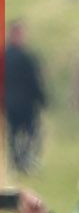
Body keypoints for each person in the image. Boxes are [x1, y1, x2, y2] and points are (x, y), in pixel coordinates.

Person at [3, 22, 48, 172]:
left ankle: (16, 160)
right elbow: (34, 81)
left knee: (13, 132)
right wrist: (42, 99)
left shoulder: (5, 56)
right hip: (25, 103)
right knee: (31, 132)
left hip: (9, 102)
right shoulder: (26, 57)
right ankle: (24, 160)